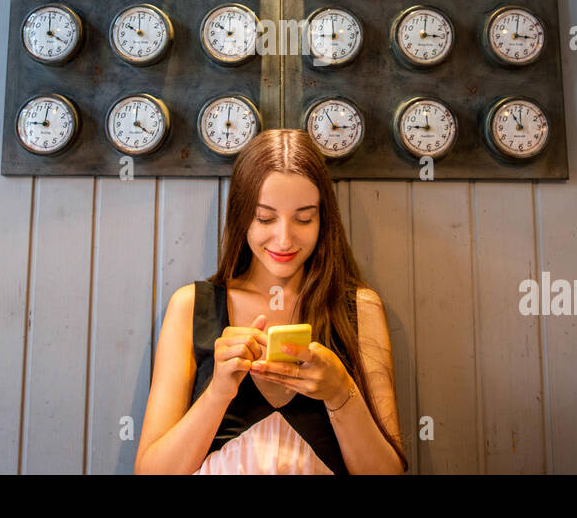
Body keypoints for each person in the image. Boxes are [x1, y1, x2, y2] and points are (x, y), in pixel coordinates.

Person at [135, 128, 408, 474]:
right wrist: (219, 391)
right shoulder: (192, 306)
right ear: (241, 216)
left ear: (324, 220)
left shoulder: (359, 309)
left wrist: (340, 393)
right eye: (265, 217)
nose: (284, 238)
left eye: (304, 218)